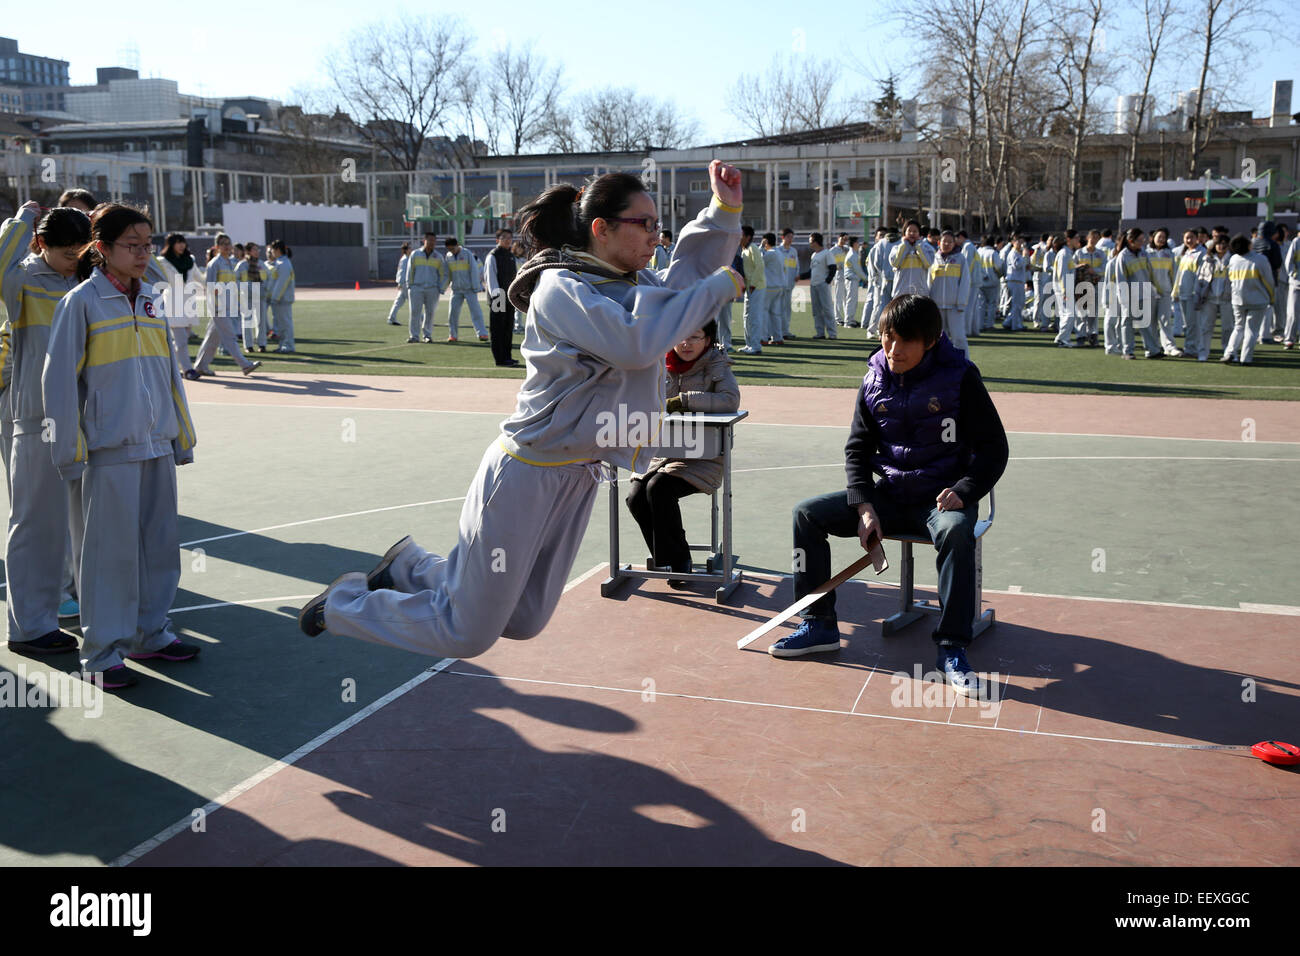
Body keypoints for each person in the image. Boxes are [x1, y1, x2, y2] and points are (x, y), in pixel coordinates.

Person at [298, 161, 746, 659]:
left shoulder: (630, 284)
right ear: (601, 229)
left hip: (579, 473)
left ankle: (409, 568)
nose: (655, 235)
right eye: (644, 224)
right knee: (464, 633)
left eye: (657, 224)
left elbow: (687, 274)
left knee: (526, 617)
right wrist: (720, 287)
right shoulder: (562, 290)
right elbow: (636, 343)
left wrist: (723, 210)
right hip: (526, 472)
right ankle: (342, 605)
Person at [774, 294, 1008, 699]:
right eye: (886, 338)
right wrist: (864, 506)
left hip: (941, 501)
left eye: (904, 341)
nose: (893, 350)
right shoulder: (874, 377)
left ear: (931, 341)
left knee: (955, 533)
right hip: (890, 497)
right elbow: (857, 449)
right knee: (806, 515)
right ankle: (819, 624)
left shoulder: (959, 377)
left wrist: (964, 490)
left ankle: (952, 648)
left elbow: (994, 448)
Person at [43, 203, 200, 689]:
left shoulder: (151, 300)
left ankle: (150, 633)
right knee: (108, 555)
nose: (142, 253)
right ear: (102, 248)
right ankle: (101, 654)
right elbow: (60, 383)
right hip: (109, 449)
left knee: (159, 548)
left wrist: (181, 434)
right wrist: (69, 449)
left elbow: (169, 373)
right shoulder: (81, 303)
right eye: (132, 245)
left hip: (155, 443)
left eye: (147, 244)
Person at [1, 203, 88, 656]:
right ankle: (29, 628)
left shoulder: (84, 281)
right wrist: (20, 221)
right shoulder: (22, 281)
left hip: (85, 421)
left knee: (80, 526)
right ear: (41, 244)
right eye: (66, 252)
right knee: (34, 525)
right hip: (36, 421)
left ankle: (82, 610)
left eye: (82, 249)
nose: (75, 258)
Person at [626, 318, 739, 585]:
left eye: (695, 337)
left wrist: (685, 401)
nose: (686, 343)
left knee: (659, 489)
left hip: (703, 455)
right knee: (635, 497)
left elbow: (730, 400)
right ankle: (666, 557)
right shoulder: (657, 363)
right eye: (681, 337)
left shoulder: (716, 363)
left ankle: (679, 562)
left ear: (708, 340)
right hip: (661, 452)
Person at [193, 233, 261, 376]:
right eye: (223, 243)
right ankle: (245, 365)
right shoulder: (214, 264)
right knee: (230, 337)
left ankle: (200, 366)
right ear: (217, 247)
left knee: (212, 339)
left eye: (228, 243)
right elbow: (210, 287)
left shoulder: (230, 263)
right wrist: (216, 307)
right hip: (219, 308)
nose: (226, 246)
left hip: (228, 307)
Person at [1221, 233, 1274, 365]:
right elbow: (1268, 281)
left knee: (1238, 327)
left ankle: (1229, 353)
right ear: (1249, 245)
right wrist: (1271, 297)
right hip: (1258, 300)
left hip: (1238, 300)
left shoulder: (1233, 259)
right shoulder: (1260, 259)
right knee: (1251, 330)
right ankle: (1246, 358)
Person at [154, 233, 202, 377]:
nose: (181, 245)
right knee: (181, 341)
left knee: (181, 341)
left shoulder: (190, 260)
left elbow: (199, 277)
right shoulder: (162, 261)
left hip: (188, 304)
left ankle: (166, 367)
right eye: (178, 242)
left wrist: (212, 287)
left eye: (183, 242)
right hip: (173, 304)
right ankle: (188, 370)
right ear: (171, 244)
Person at [927, 230, 970, 352]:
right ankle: (940, 365)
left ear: (954, 243)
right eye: (944, 241)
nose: (946, 244)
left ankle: (964, 365)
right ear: (939, 242)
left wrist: (961, 303)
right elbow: (928, 282)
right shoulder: (933, 259)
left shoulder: (960, 259)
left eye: (950, 241)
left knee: (959, 338)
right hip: (937, 306)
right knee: (939, 338)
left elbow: (965, 282)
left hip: (955, 306)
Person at [483, 228, 520, 367]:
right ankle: (500, 359)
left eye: (510, 237)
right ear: (497, 239)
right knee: (498, 329)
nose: (508, 240)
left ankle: (507, 356)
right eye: (504, 237)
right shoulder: (493, 255)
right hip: (498, 298)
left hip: (509, 297)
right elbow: (491, 278)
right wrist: (497, 297)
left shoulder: (510, 255)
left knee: (508, 328)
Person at [1144, 228, 1183, 356]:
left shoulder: (1169, 253)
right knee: (1150, 321)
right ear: (1153, 237)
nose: (1161, 239)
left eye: (1163, 237)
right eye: (1159, 236)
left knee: (1165, 320)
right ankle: (1153, 347)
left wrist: (1174, 290)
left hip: (1165, 291)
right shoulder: (1145, 253)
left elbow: (1174, 273)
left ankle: (1169, 347)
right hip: (1149, 292)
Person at [1192, 236, 1230, 362]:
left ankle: (1228, 352)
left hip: (1227, 299)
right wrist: (1197, 295)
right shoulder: (1207, 260)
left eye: (1224, 244)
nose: (1221, 246)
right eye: (1218, 243)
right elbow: (1200, 279)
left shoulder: (1232, 260)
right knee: (1206, 327)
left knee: (1227, 328)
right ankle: (1203, 353)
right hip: (1209, 298)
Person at [405, 233, 447, 343]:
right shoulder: (415, 254)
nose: (432, 243)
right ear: (424, 240)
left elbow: (443, 274)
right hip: (416, 288)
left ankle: (427, 335)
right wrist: (410, 285)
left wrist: (440, 288)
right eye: (430, 240)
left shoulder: (438, 257)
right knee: (415, 312)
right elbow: (410, 271)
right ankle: (414, 335)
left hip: (432, 289)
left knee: (430, 313)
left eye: (434, 241)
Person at [444, 237, 487, 342]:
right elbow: (447, 274)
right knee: (452, 314)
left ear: (457, 245)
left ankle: (482, 334)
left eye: (453, 248)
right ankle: (453, 335)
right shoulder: (448, 256)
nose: (451, 251)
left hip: (469, 289)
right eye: (449, 249)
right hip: (456, 290)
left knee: (476, 312)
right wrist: (442, 288)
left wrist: (476, 286)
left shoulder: (467, 254)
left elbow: (474, 270)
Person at [738, 224, 766, 355]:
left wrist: (753, 284)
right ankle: (749, 344)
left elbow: (759, 266)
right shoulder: (743, 249)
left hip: (756, 287)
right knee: (746, 317)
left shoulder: (753, 248)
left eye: (741, 234)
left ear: (748, 237)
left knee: (754, 317)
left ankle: (756, 346)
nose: (739, 237)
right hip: (749, 288)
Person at [264, 240, 296, 353]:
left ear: (277, 250)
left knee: (285, 323)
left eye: (272, 250)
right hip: (279, 299)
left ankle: (288, 345)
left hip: (282, 299)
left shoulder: (283, 264)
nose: (271, 252)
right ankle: (283, 344)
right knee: (280, 324)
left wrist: (275, 297)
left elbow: (282, 283)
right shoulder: (280, 263)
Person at [1052, 230, 1082, 348]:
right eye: (1076, 238)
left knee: (1067, 314)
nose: (1078, 240)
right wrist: (1065, 291)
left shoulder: (1067, 253)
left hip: (1065, 287)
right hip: (1063, 288)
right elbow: (1062, 273)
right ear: (1069, 240)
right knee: (1069, 314)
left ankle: (1063, 338)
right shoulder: (1064, 253)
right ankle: (1062, 339)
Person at [888, 220, 932, 297]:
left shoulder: (926, 248)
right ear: (904, 233)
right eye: (909, 231)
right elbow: (895, 263)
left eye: (915, 231)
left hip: (920, 294)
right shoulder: (896, 248)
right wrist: (904, 246)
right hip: (901, 293)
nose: (912, 233)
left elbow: (928, 264)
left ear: (919, 233)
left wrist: (918, 247)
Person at [236, 242, 267, 352]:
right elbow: (236, 279)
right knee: (247, 320)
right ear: (248, 251)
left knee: (261, 321)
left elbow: (268, 279)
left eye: (257, 249)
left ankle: (262, 344)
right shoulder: (242, 265)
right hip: (246, 296)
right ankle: (248, 345)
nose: (257, 252)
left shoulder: (262, 264)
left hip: (260, 295)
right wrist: (243, 288)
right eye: (254, 249)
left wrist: (264, 289)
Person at [808, 232, 836, 339]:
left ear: (816, 242)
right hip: (813, 285)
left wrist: (827, 281)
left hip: (822, 285)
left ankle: (832, 333)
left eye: (811, 241)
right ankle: (820, 333)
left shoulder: (826, 253)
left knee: (827, 309)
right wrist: (800, 276)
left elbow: (832, 268)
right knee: (816, 310)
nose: (810, 244)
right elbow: (811, 271)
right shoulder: (814, 255)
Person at [760, 232, 785, 346]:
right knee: (775, 313)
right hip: (779, 286)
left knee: (764, 312)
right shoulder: (779, 252)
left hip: (769, 286)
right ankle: (778, 337)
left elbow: (759, 262)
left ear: (766, 241)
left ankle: (764, 338)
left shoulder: (770, 253)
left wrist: (761, 247)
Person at [1003, 235, 1029, 331]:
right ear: (1013, 242)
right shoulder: (1013, 253)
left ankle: (1008, 322)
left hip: (1018, 280)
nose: (1020, 244)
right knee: (1017, 304)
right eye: (1018, 242)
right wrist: (1024, 256)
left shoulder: (1017, 253)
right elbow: (1017, 265)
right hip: (1014, 281)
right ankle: (1015, 325)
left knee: (1019, 303)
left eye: (1022, 242)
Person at [778, 228, 799, 340]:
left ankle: (785, 331)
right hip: (779, 285)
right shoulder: (777, 250)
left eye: (792, 237)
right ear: (783, 237)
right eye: (788, 237)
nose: (790, 239)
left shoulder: (793, 251)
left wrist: (797, 274)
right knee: (778, 309)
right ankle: (777, 332)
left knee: (787, 309)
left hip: (789, 285)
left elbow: (796, 265)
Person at [843, 236, 867, 328]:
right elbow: (858, 270)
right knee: (851, 301)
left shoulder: (853, 254)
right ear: (853, 244)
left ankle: (851, 320)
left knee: (853, 301)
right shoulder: (853, 255)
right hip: (851, 280)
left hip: (853, 280)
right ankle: (848, 322)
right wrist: (866, 278)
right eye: (857, 242)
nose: (859, 244)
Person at [1283, 228, 1300, 349]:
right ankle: (1289, 339)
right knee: (1293, 313)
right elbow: (1289, 262)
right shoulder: (1296, 242)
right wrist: (1294, 275)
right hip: (1297, 283)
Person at [387, 241, 411, 326]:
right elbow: (401, 272)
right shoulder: (405, 259)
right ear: (406, 250)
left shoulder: (406, 258)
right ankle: (422, 319)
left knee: (398, 302)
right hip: (405, 283)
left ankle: (391, 318)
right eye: (409, 248)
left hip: (404, 283)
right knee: (413, 302)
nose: (411, 249)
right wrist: (400, 283)